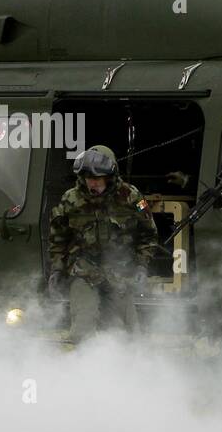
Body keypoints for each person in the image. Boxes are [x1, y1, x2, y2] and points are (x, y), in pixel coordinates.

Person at [47, 145, 161, 341]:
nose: (93, 184)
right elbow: (58, 240)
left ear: (110, 176)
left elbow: (149, 235)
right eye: (89, 178)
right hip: (84, 271)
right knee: (83, 327)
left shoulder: (132, 197)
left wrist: (142, 266)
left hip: (120, 273)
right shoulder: (70, 200)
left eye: (98, 178)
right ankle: (82, 367)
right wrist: (56, 270)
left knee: (127, 334)